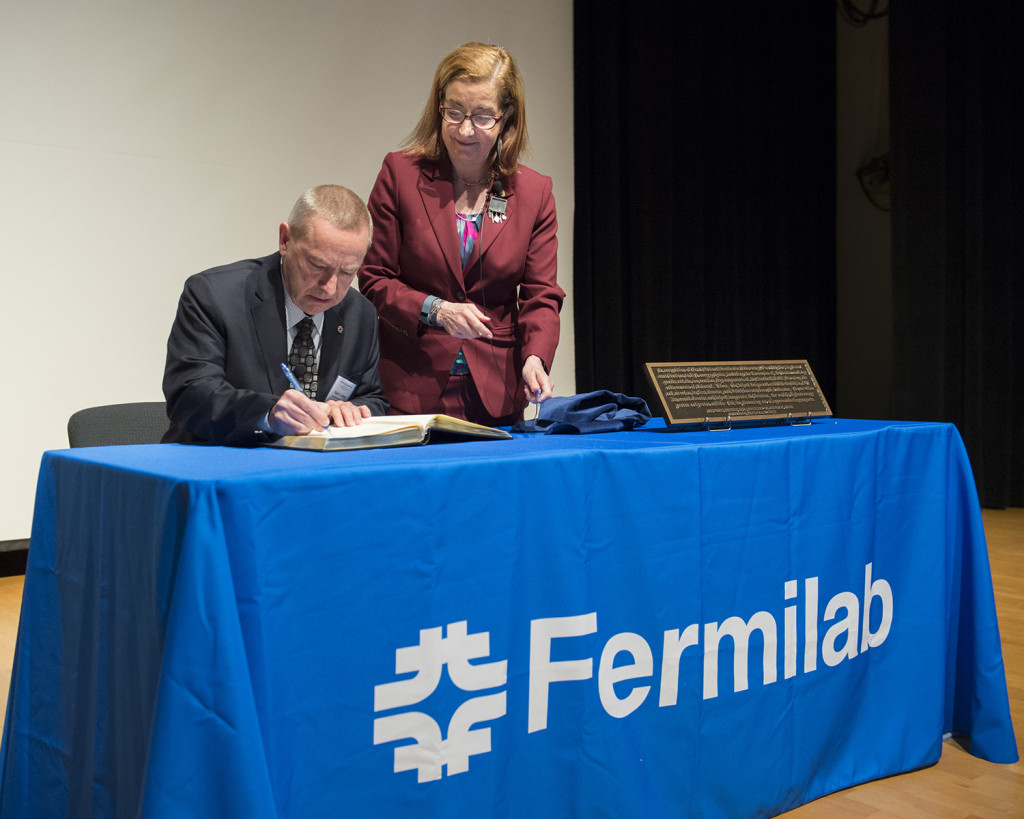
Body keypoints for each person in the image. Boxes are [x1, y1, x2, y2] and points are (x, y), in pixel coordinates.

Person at [359, 42, 564, 426]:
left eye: (483, 116)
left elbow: (541, 294)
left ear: (507, 117)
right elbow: (373, 279)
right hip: (410, 386)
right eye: (454, 112)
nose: (465, 129)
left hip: (496, 394)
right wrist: (436, 310)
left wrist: (536, 357)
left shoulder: (535, 192)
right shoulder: (400, 175)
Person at [163, 184, 389, 445]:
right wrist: (268, 415)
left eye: (348, 272)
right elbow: (190, 394)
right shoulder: (214, 295)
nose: (330, 287)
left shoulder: (360, 314)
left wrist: (354, 411)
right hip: (219, 463)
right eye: (317, 265)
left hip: (315, 472)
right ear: (285, 240)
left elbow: (371, 397)